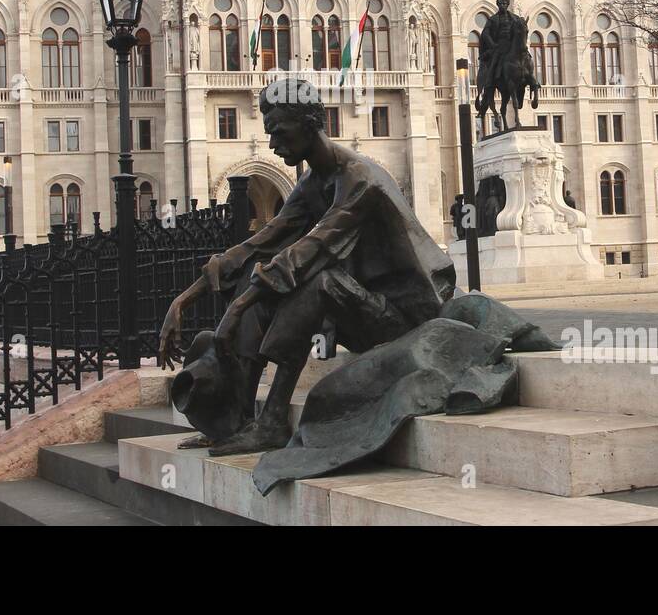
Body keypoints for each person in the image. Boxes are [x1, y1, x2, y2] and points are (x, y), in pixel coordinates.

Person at [158, 77, 454, 455]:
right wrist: (183, 300)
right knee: (258, 276)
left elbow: (311, 251)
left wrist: (237, 308)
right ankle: (235, 420)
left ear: (310, 123)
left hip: (407, 318)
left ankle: (273, 422)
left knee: (319, 282)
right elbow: (258, 244)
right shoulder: (314, 181)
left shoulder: (360, 177)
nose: (271, 144)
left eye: (279, 132)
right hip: (364, 314)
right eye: (270, 133)